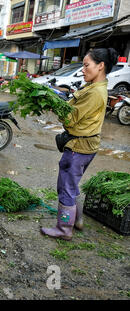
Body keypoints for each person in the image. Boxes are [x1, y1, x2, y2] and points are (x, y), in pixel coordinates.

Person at [40, 48, 118, 240]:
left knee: (66, 187)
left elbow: (70, 120)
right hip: (85, 146)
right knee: (72, 185)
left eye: (86, 65)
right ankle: (77, 220)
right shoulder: (92, 87)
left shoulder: (94, 92)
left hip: (78, 148)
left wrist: (55, 105)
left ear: (100, 66)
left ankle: (64, 228)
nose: (82, 70)